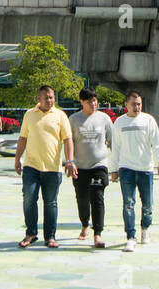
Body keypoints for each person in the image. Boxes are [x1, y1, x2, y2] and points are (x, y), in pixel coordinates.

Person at [13, 86, 76, 248]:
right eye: (46, 97)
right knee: (29, 198)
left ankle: (50, 237)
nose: (49, 100)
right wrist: (17, 159)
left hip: (52, 168)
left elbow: (68, 139)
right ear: (38, 99)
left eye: (51, 97)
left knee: (50, 202)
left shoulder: (60, 115)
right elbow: (23, 138)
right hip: (31, 166)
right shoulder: (29, 115)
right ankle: (31, 233)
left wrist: (70, 161)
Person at [109, 91, 159, 252]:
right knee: (128, 204)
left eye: (139, 104)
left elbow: (157, 143)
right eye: (133, 104)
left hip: (145, 169)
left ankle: (145, 229)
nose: (137, 107)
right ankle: (130, 237)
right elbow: (116, 147)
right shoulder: (119, 122)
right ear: (126, 105)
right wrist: (114, 169)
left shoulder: (148, 120)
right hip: (126, 169)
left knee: (148, 204)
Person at [69, 88, 113, 247]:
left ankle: (98, 233)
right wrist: (69, 161)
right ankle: (85, 224)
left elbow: (112, 141)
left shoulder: (104, 118)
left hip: (99, 165)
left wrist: (116, 165)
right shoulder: (74, 119)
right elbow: (69, 142)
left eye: (95, 100)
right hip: (80, 166)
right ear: (82, 102)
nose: (93, 104)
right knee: (82, 198)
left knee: (97, 197)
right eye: (89, 101)